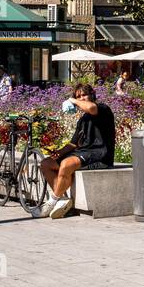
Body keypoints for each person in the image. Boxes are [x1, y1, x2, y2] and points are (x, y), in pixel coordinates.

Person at [39, 84, 116, 219]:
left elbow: (91, 107)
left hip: (100, 155)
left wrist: (73, 100)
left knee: (66, 164)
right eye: (78, 96)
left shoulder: (102, 109)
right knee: (46, 164)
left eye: (84, 95)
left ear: (92, 94)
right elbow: (73, 144)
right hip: (84, 153)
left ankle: (52, 202)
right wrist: (59, 152)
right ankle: (62, 200)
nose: (81, 98)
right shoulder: (82, 120)